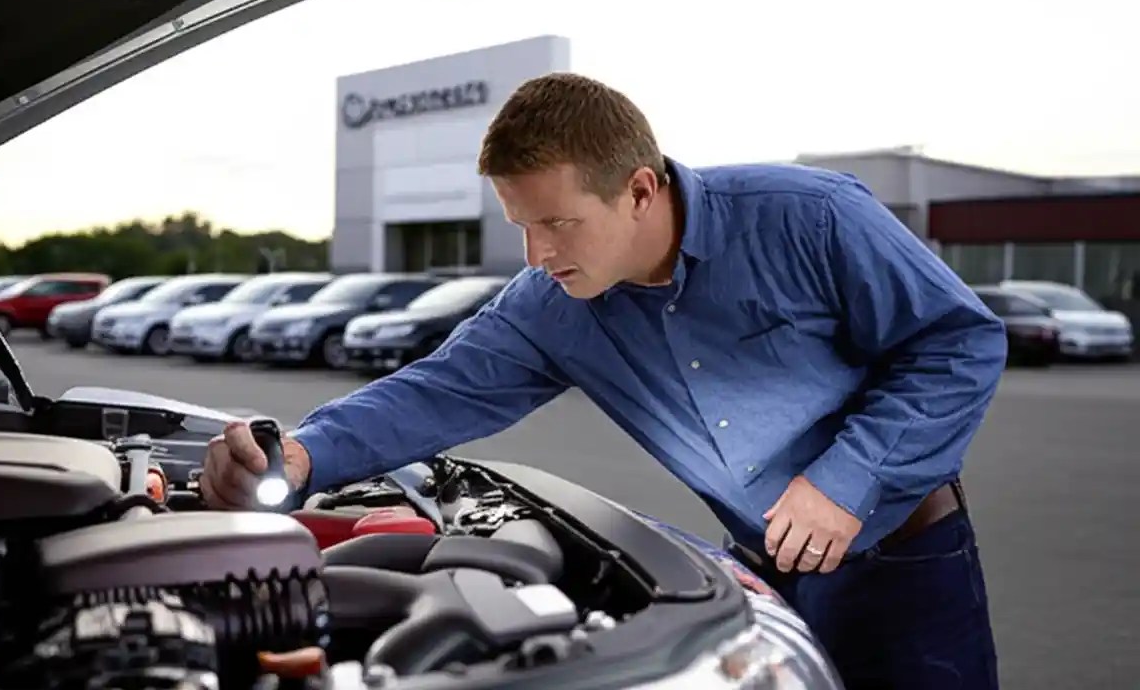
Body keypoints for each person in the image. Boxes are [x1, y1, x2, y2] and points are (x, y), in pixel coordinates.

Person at [203, 72, 1006, 689]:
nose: (537, 255)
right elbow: (436, 388)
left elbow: (957, 342)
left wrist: (845, 480)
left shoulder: (810, 217)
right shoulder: (549, 306)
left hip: (905, 559)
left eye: (556, 223)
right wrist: (304, 457)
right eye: (522, 228)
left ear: (641, 190)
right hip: (763, 569)